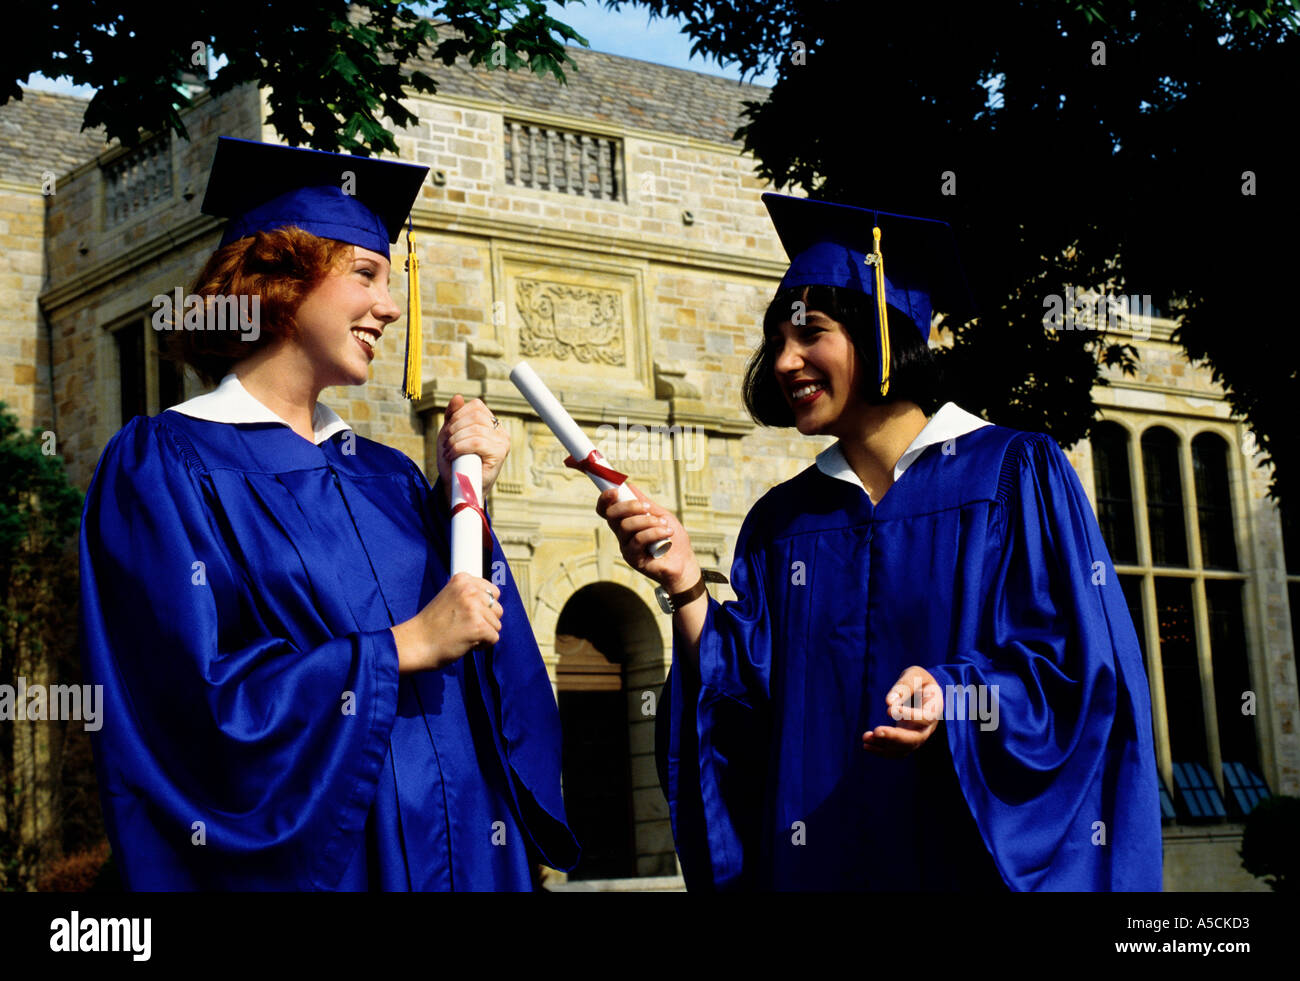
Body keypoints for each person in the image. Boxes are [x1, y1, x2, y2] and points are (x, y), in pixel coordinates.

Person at [599, 193, 1162, 891]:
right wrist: (685, 584)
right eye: (777, 340)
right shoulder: (784, 523)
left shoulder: (1013, 475)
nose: (783, 360)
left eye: (811, 334)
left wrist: (956, 696)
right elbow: (741, 712)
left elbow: (1075, 680)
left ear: (885, 333)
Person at [79, 137, 578, 890]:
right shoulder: (164, 463)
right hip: (337, 862)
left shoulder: (391, 475)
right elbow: (186, 702)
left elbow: (480, 653)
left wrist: (462, 506)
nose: (390, 305)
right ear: (279, 278)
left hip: (473, 849)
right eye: (365, 274)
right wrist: (399, 647)